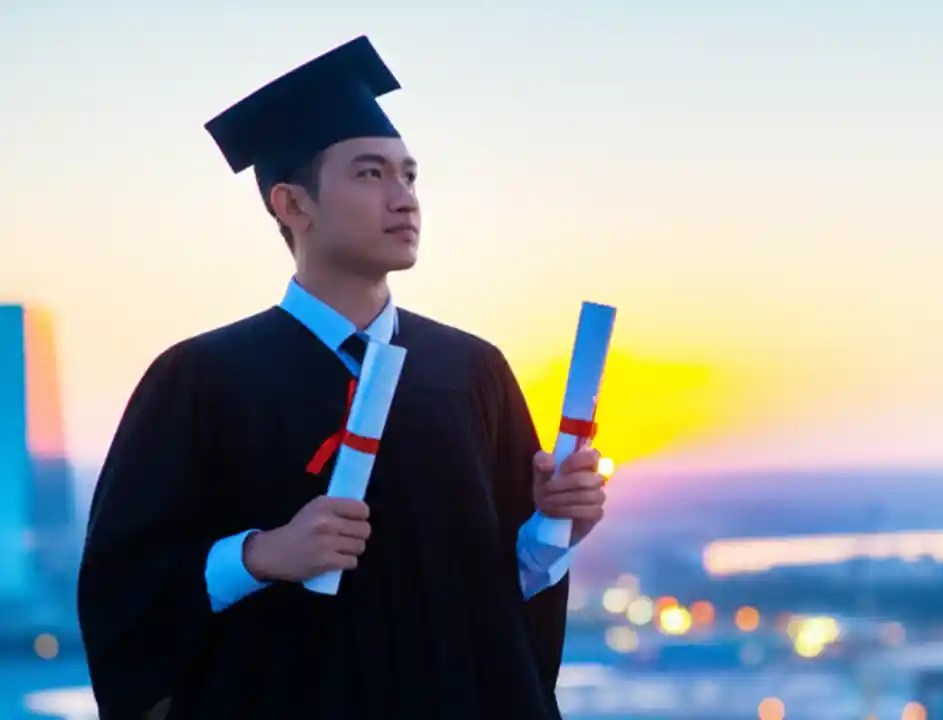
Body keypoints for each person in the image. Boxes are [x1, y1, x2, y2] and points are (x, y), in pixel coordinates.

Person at [76, 35, 608, 719]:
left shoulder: (471, 371)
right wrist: (262, 555)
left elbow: (504, 599)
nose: (404, 198)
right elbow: (124, 591)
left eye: (409, 175)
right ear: (292, 205)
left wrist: (555, 526)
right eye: (369, 174)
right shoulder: (202, 379)